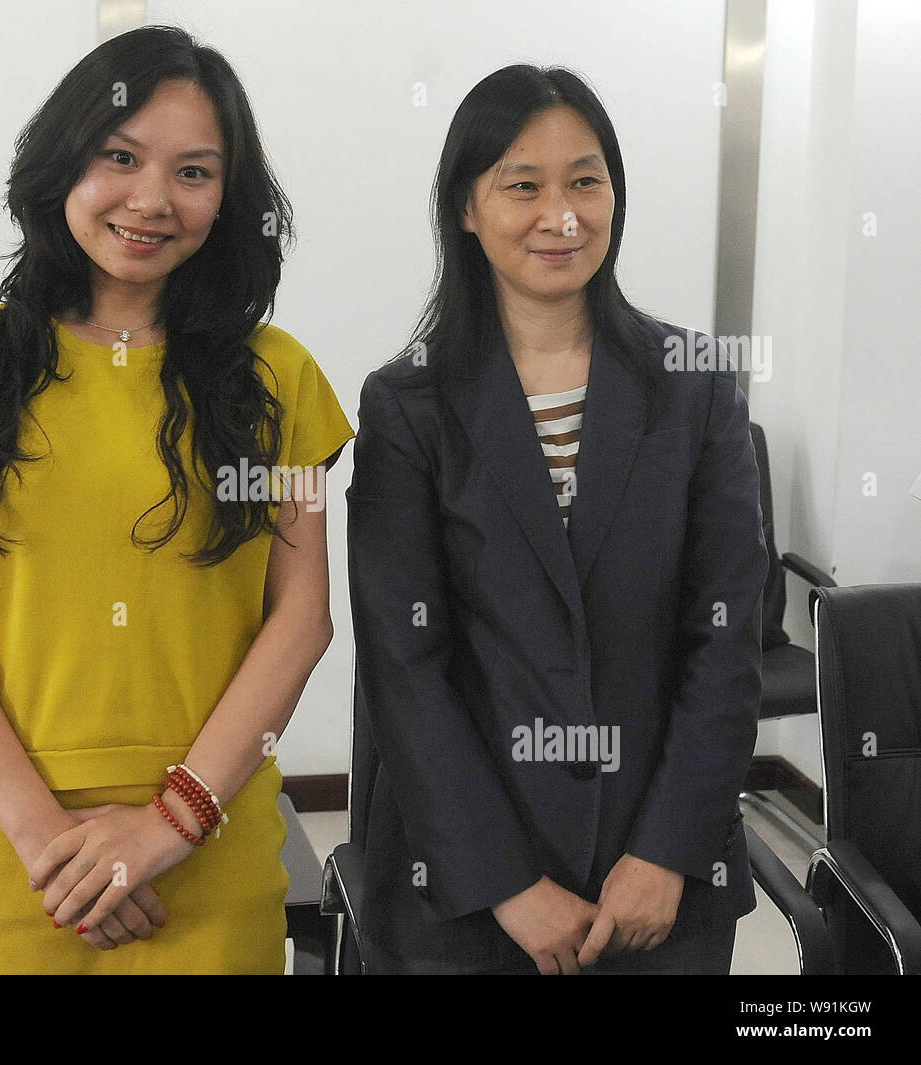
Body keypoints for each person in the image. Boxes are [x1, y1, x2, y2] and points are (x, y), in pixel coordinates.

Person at [0, 25, 354, 974]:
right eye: (121, 156)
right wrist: (54, 847)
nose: (152, 199)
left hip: (207, 856)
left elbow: (302, 620)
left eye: (194, 172)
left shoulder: (280, 380)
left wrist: (168, 824)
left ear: (227, 198)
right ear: (63, 161)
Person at [346, 64, 767, 974]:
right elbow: (403, 666)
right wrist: (506, 883)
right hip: (463, 890)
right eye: (522, 185)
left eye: (586, 180)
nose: (562, 214)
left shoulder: (694, 386)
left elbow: (725, 635)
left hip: (662, 884)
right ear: (466, 207)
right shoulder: (407, 404)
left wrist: (666, 852)